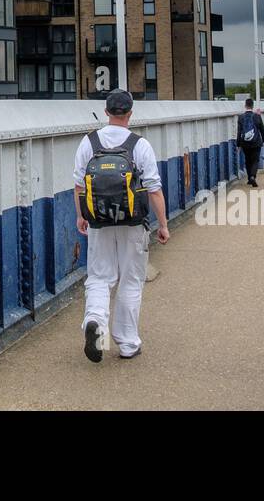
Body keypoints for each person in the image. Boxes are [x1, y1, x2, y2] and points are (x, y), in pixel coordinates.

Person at [74, 89, 169, 362]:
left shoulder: (88, 143)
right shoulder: (139, 145)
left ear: (106, 112)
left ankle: (96, 322)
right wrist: (163, 224)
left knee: (99, 277)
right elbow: (154, 190)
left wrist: (82, 216)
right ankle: (127, 344)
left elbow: (79, 186)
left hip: (98, 221)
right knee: (130, 280)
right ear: (130, 113)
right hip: (133, 223)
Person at [236, 97, 264, 187]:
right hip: (256, 142)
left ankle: (249, 177)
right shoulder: (257, 116)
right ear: (252, 106)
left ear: (245, 106)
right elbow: (262, 129)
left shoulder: (241, 117)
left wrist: (238, 144)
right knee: (255, 160)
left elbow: (239, 131)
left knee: (248, 160)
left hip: (245, 143)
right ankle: (253, 176)